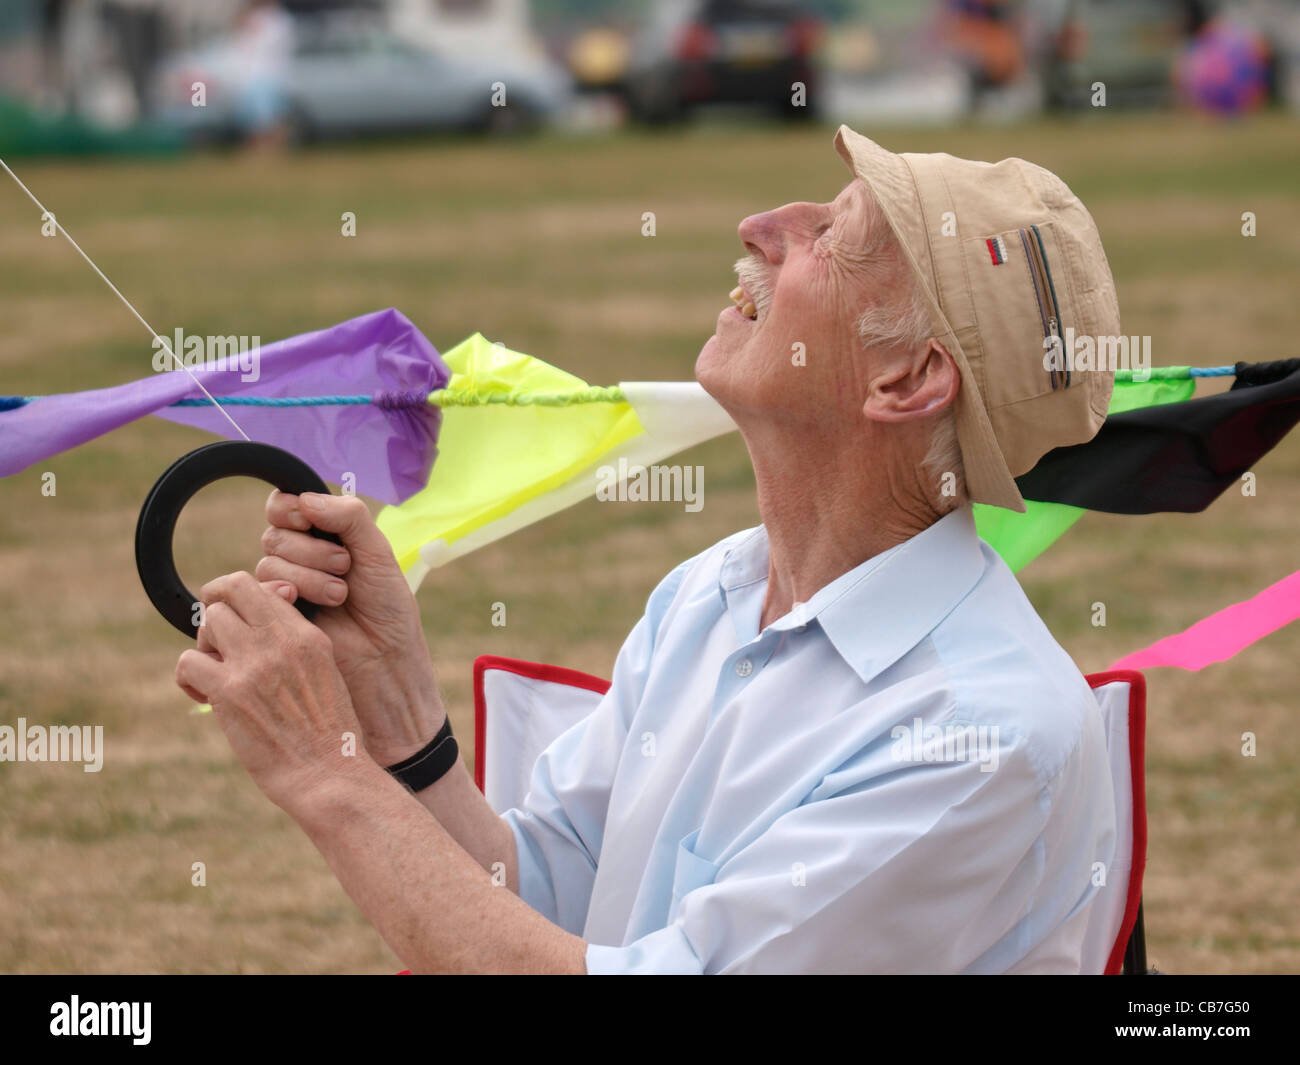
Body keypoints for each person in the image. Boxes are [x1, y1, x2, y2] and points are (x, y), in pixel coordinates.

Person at [175, 125, 1121, 974]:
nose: (758, 227)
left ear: (909, 379)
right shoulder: (712, 591)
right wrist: (392, 720)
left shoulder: (983, 740)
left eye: (833, 237)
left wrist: (324, 773)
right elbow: (548, 897)